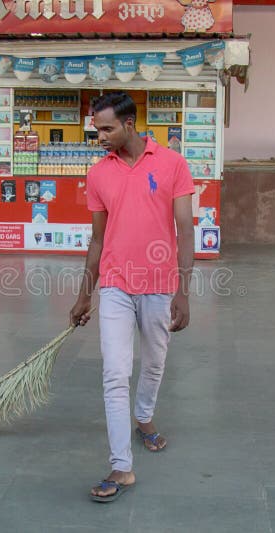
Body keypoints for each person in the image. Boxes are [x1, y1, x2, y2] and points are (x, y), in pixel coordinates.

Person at [69, 92, 195, 503]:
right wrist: (85, 295)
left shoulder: (172, 164)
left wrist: (183, 292)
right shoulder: (98, 174)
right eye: (97, 129)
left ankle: (144, 417)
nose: (100, 136)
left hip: (159, 285)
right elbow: (97, 239)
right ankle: (121, 466)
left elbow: (184, 229)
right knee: (114, 373)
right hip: (116, 286)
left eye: (107, 128)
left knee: (155, 364)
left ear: (130, 124)